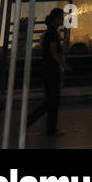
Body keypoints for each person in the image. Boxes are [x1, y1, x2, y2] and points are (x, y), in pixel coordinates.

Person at [26, 7, 68, 137]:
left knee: (51, 101)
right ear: (56, 19)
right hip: (51, 71)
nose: (62, 20)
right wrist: (64, 64)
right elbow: (53, 52)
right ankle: (32, 121)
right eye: (61, 17)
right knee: (51, 101)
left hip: (48, 70)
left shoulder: (50, 32)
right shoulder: (53, 33)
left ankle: (49, 127)